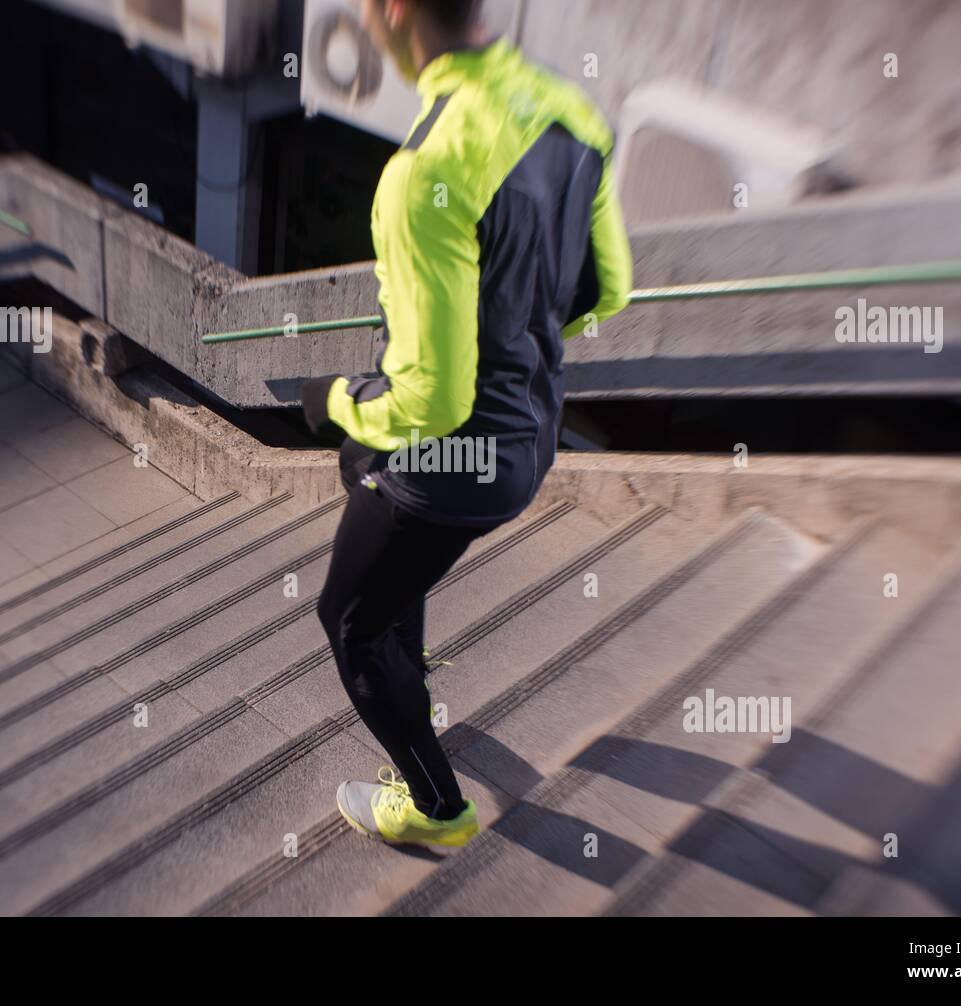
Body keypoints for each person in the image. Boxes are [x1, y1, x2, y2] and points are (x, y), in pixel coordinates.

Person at [299, 0, 632, 848]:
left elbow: (433, 404)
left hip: (452, 463)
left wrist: (329, 400)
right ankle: (413, 679)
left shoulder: (424, 170)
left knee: (349, 620)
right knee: (363, 481)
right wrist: (515, 333)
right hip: (531, 440)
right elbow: (609, 289)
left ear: (394, 10)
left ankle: (436, 809)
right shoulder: (573, 110)